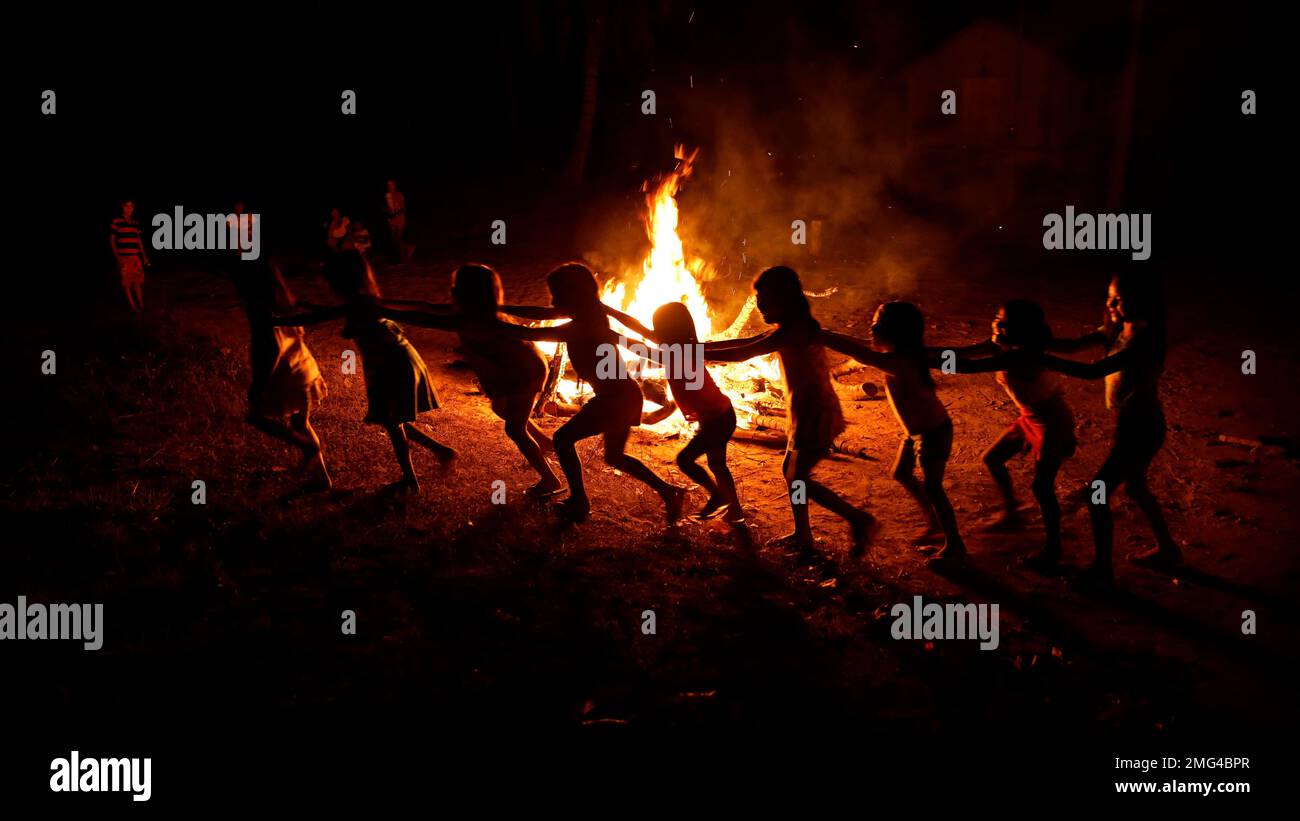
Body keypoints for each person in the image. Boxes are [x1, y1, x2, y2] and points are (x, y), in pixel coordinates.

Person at [703, 266, 877, 557]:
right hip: (805, 411)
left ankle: (858, 519)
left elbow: (745, 352)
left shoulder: (793, 332)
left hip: (814, 413)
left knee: (798, 476)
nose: (759, 305)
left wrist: (697, 353)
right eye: (757, 297)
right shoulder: (791, 328)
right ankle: (803, 535)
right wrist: (702, 348)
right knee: (791, 471)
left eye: (764, 298)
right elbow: (747, 343)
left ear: (784, 300)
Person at [497, 262, 687, 524]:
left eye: (557, 293)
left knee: (563, 439)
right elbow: (542, 312)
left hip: (615, 399)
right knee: (615, 456)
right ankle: (669, 491)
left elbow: (531, 328)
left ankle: (579, 502)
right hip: (624, 394)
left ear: (573, 295)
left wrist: (493, 321)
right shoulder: (593, 313)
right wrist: (498, 309)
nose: (553, 300)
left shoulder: (581, 327)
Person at [1040, 273, 1181, 585]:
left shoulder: (1147, 340)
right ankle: (1168, 549)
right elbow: (1076, 345)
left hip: (1141, 428)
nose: (1111, 303)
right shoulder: (1117, 329)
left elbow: (1095, 371)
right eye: (1110, 296)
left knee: (1096, 495)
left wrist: (1039, 358)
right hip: (1131, 426)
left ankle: (1103, 570)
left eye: (1119, 298)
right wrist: (1035, 343)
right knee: (1134, 487)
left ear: (1144, 302)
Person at [274, 250, 455, 493]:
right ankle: (441, 451)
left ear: (341, 280)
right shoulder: (362, 300)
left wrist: (277, 321)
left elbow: (321, 316)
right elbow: (331, 312)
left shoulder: (360, 302)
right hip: (392, 363)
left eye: (329, 279)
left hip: (393, 366)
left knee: (393, 421)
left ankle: (410, 480)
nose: (326, 284)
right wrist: (297, 308)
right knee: (393, 417)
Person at [375, 263, 562, 497]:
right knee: (503, 410)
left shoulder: (472, 321)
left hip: (524, 373)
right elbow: (426, 307)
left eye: (456, 286)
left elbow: (423, 318)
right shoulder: (473, 313)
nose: (451, 290)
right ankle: (545, 443)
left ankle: (550, 480)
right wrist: (382, 303)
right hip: (523, 367)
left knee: (514, 428)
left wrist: (382, 311)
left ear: (464, 293)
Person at [928, 300, 1076, 568]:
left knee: (1042, 486)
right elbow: (965, 352)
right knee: (992, 459)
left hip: (1053, 422)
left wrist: (928, 362)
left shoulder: (1022, 355)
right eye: (997, 318)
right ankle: (1013, 512)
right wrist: (920, 351)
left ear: (1023, 331)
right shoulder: (1003, 344)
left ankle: (1053, 548)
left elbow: (968, 367)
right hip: (1029, 418)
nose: (996, 324)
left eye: (1004, 322)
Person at [823, 302, 965, 563]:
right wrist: (830, 346)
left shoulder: (899, 362)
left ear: (897, 333)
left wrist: (820, 335)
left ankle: (954, 544)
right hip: (914, 433)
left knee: (934, 487)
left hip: (932, 433)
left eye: (878, 324)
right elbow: (861, 349)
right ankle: (934, 524)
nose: (872, 327)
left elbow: (866, 355)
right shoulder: (902, 355)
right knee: (901, 473)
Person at [233, 261, 331, 490]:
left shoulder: (259, 308)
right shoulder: (285, 302)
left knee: (256, 417)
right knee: (301, 423)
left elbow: (271, 348)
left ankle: (308, 448)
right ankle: (322, 479)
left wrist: (259, 383)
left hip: (288, 375)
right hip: (305, 370)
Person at [111, 199, 150, 311]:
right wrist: (117, 257)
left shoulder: (135, 223)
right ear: (122, 207)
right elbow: (112, 240)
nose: (129, 208)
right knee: (126, 283)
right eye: (127, 206)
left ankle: (141, 304)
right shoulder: (116, 221)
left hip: (135, 257)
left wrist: (144, 256)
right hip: (124, 257)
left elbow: (138, 240)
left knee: (137, 281)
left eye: (131, 206)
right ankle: (133, 306)